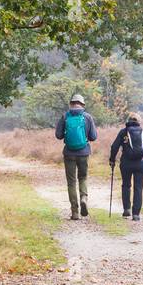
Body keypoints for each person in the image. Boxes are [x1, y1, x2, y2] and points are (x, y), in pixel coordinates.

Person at [55, 92, 97, 220]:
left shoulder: (65, 116)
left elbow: (58, 135)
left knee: (71, 182)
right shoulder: (87, 117)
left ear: (71, 103)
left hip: (69, 153)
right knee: (83, 178)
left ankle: (75, 212)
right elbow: (93, 137)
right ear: (82, 104)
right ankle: (84, 198)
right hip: (84, 153)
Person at [109, 113, 143, 221]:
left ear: (128, 121)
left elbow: (114, 146)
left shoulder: (123, 132)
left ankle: (126, 209)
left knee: (126, 185)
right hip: (141, 163)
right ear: (139, 121)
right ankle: (136, 214)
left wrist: (112, 159)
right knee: (138, 188)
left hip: (126, 163)